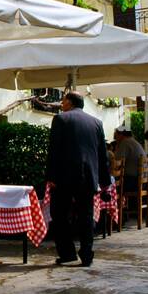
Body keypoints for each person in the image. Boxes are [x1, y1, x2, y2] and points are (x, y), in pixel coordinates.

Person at [45, 91, 111, 267]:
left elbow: (54, 149)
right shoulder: (96, 122)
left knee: (59, 214)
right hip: (88, 176)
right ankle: (87, 254)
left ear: (70, 102)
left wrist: (51, 176)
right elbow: (102, 155)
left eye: (63, 100)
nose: (62, 103)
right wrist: (105, 182)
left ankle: (67, 253)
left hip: (64, 176)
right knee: (86, 215)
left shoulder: (61, 119)